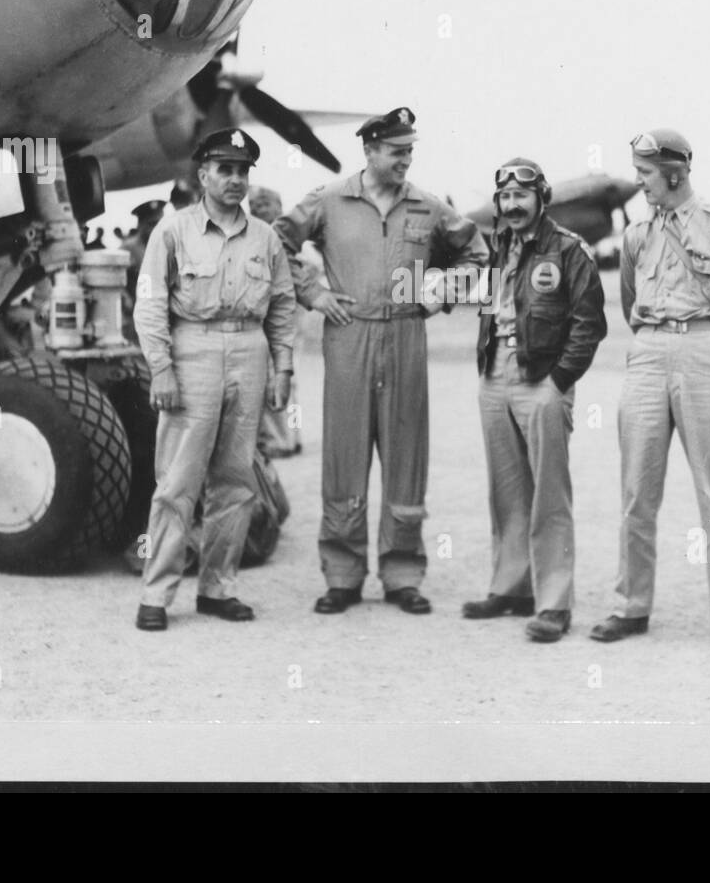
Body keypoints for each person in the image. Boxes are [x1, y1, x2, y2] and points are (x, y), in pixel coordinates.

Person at [274, 107, 489, 615]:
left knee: (406, 456)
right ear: (369, 151)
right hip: (349, 335)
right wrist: (313, 293)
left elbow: (475, 254)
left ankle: (402, 573)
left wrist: (437, 297)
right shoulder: (329, 200)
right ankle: (343, 575)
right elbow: (278, 241)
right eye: (397, 151)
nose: (405, 161)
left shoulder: (428, 206)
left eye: (410, 151)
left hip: (405, 335)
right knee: (345, 457)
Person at [590, 129, 710, 653]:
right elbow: (629, 302)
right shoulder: (636, 236)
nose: (639, 182)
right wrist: (657, 343)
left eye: (645, 172)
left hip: (706, 353)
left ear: (675, 171)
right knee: (635, 494)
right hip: (647, 356)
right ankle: (630, 606)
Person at [132, 128, 295, 632]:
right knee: (178, 482)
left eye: (243, 171)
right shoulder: (172, 232)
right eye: (224, 169)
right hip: (193, 350)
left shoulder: (265, 238)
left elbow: (284, 306)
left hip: (249, 351)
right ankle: (156, 594)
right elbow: (151, 303)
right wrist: (161, 368)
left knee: (236, 481)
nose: (235, 180)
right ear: (202, 175)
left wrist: (283, 367)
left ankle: (218, 588)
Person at [465, 158, 607, 642]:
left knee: (549, 495)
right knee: (505, 491)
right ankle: (511, 587)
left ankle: (553, 603)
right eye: (504, 197)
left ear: (541, 197)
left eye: (521, 196)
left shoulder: (569, 251)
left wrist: (560, 381)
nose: (511, 205)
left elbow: (590, 325)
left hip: (542, 378)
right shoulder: (497, 247)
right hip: (495, 374)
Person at [249, 185, 302, 459]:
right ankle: (291, 437)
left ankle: (281, 440)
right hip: (274, 321)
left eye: (263, 204)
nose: (256, 209)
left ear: (278, 207)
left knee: (275, 380)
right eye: (254, 204)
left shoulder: (278, 237)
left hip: (277, 322)